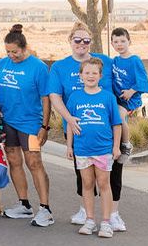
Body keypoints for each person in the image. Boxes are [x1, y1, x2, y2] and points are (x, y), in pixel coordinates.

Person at [48, 21, 112, 226]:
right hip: (75, 127)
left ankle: (110, 216)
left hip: (103, 131)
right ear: (70, 40)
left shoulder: (104, 62)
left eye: (86, 40)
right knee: (83, 175)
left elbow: (114, 90)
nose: (82, 43)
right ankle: (86, 211)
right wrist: (69, 118)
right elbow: (55, 96)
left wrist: (127, 107)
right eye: (78, 40)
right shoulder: (59, 66)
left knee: (107, 177)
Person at [0, 24, 53, 226]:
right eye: (8, 52)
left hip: (31, 124)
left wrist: (44, 127)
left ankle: (45, 209)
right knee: (14, 161)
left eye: (15, 52)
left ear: (24, 48)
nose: (11, 56)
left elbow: (46, 99)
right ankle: (24, 205)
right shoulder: (2, 64)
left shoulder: (38, 67)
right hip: (8, 122)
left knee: (34, 162)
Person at [65, 58, 122, 238]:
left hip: (103, 149)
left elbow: (116, 124)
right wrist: (69, 146)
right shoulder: (75, 98)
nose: (90, 76)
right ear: (80, 75)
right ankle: (90, 220)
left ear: (100, 76)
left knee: (104, 184)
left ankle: (106, 222)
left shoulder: (107, 97)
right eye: (87, 73)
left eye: (94, 73)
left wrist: (116, 147)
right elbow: (70, 123)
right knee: (87, 184)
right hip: (82, 149)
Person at [110, 27, 148, 164]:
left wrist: (131, 91)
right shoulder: (115, 60)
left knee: (119, 116)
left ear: (129, 42)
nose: (119, 44)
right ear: (112, 44)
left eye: (123, 41)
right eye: (116, 41)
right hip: (117, 97)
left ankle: (126, 144)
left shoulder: (134, 60)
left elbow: (143, 81)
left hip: (130, 98)